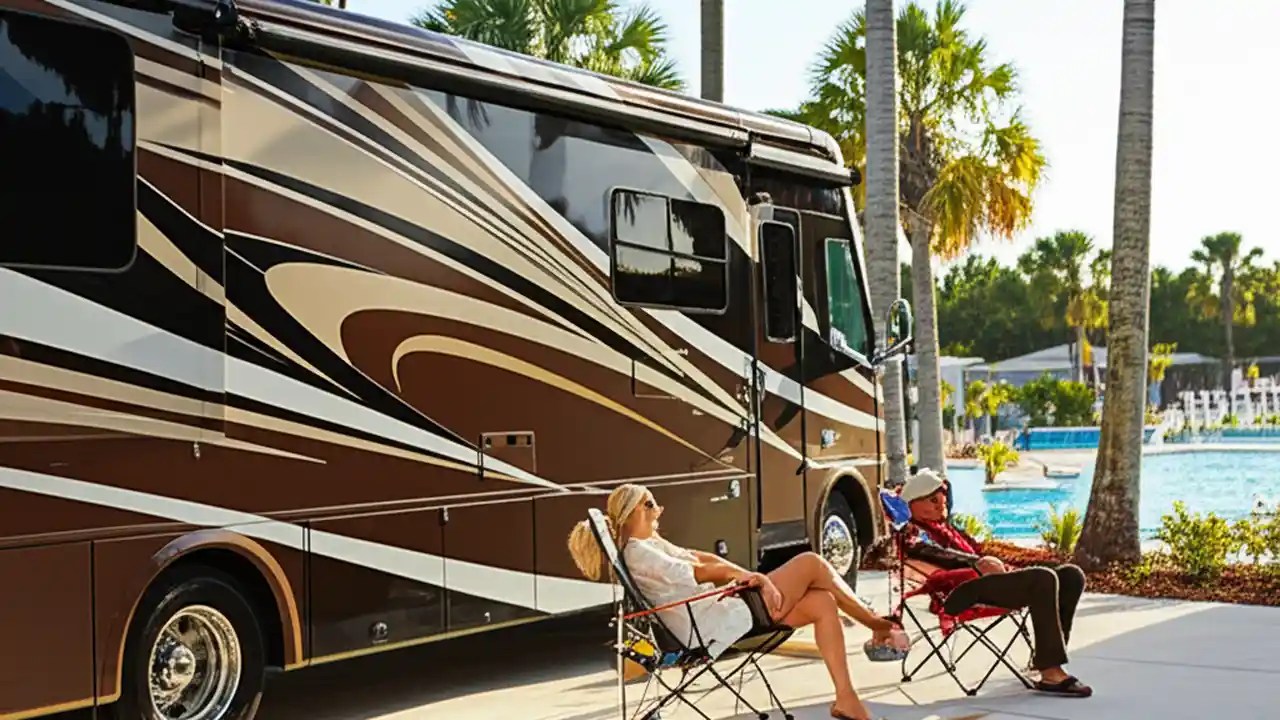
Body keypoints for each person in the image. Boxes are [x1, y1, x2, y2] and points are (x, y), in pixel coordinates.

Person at [568, 483, 896, 720]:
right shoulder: (639, 553)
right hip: (713, 625)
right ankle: (876, 624)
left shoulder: (650, 545)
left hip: (719, 613)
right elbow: (696, 571)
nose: (659, 510)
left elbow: (702, 558)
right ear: (631, 513)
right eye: (650, 504)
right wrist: (756, 579)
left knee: (822, 602)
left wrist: (748, 575)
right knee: (811, 563)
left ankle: (846, 699)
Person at [899, 469, 1093, 698]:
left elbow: (978, 550)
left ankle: (1046, 656)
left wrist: (995, 561)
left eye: (942, 498)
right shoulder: (911, 531)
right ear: (913, 504)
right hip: (959, 591)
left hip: (983, 581)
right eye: (933, 500)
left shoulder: (947, 529)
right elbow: (929, 552)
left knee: (1071, 575)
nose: (941, 504)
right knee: (1043, 579)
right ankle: (1051, 673)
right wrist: (975, 562)